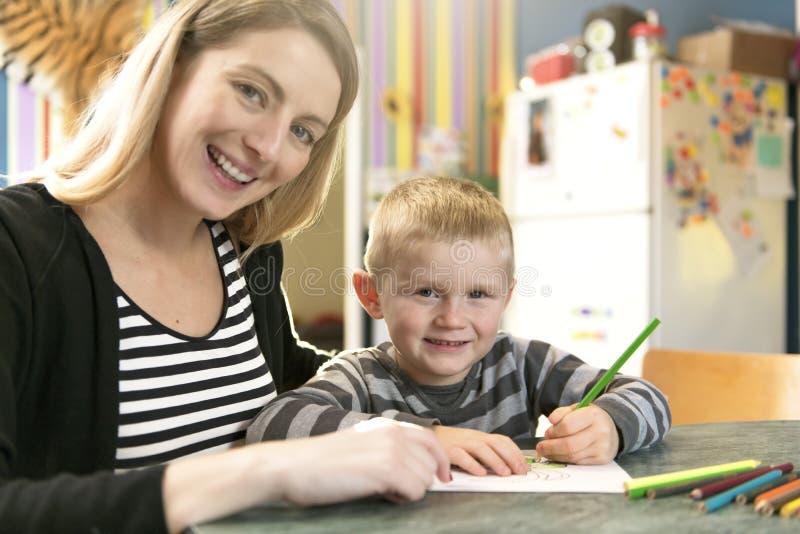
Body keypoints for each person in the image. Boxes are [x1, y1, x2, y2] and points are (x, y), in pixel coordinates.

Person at [0, 1, 451, 532]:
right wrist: (266, 471)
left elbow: (293, 380)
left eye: (303, 131)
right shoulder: (17, 249)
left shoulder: (246, 248)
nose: (267, 147)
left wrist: (432, 419)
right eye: (251, 92)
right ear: (173, 66)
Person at [248, 176, 672, 477]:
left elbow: (650, 397)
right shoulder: (361, 377)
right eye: (427, 292)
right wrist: (420, 439)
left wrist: (611, 427)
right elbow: (273, 425)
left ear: (505, 297)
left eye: (478, 295)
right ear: (373, 295)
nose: (452, 318)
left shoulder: (525, 363)